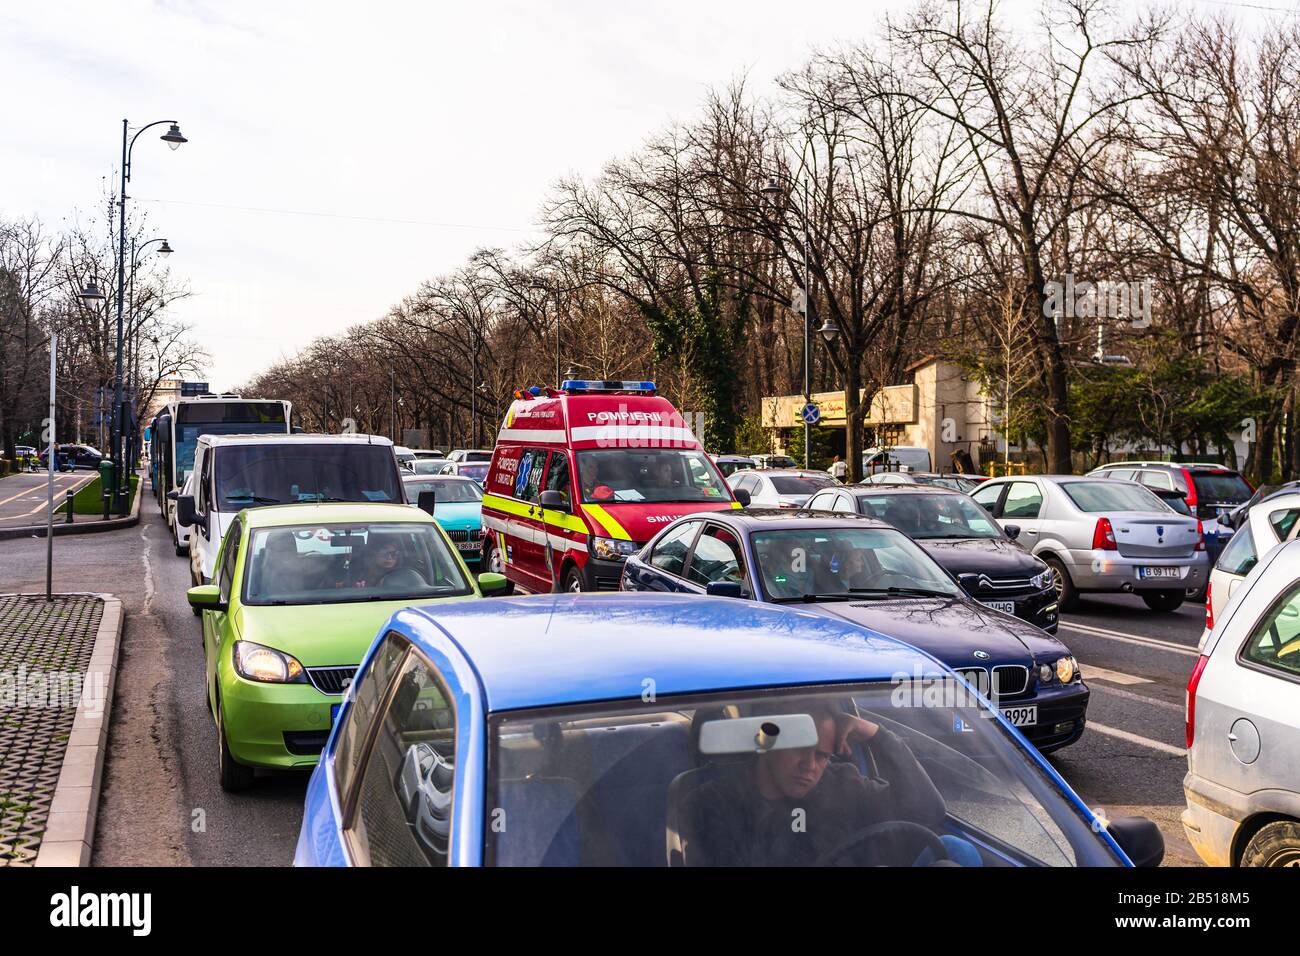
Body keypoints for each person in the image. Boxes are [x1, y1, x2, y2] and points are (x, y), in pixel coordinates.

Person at [678, 700, 969, 866]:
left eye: (822, 755)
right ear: (768, 744)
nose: (810, 766)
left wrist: (875, 735)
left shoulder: (842, 785)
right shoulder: (713, 803)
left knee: (956, 852)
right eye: (799, 748)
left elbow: (926, 812)